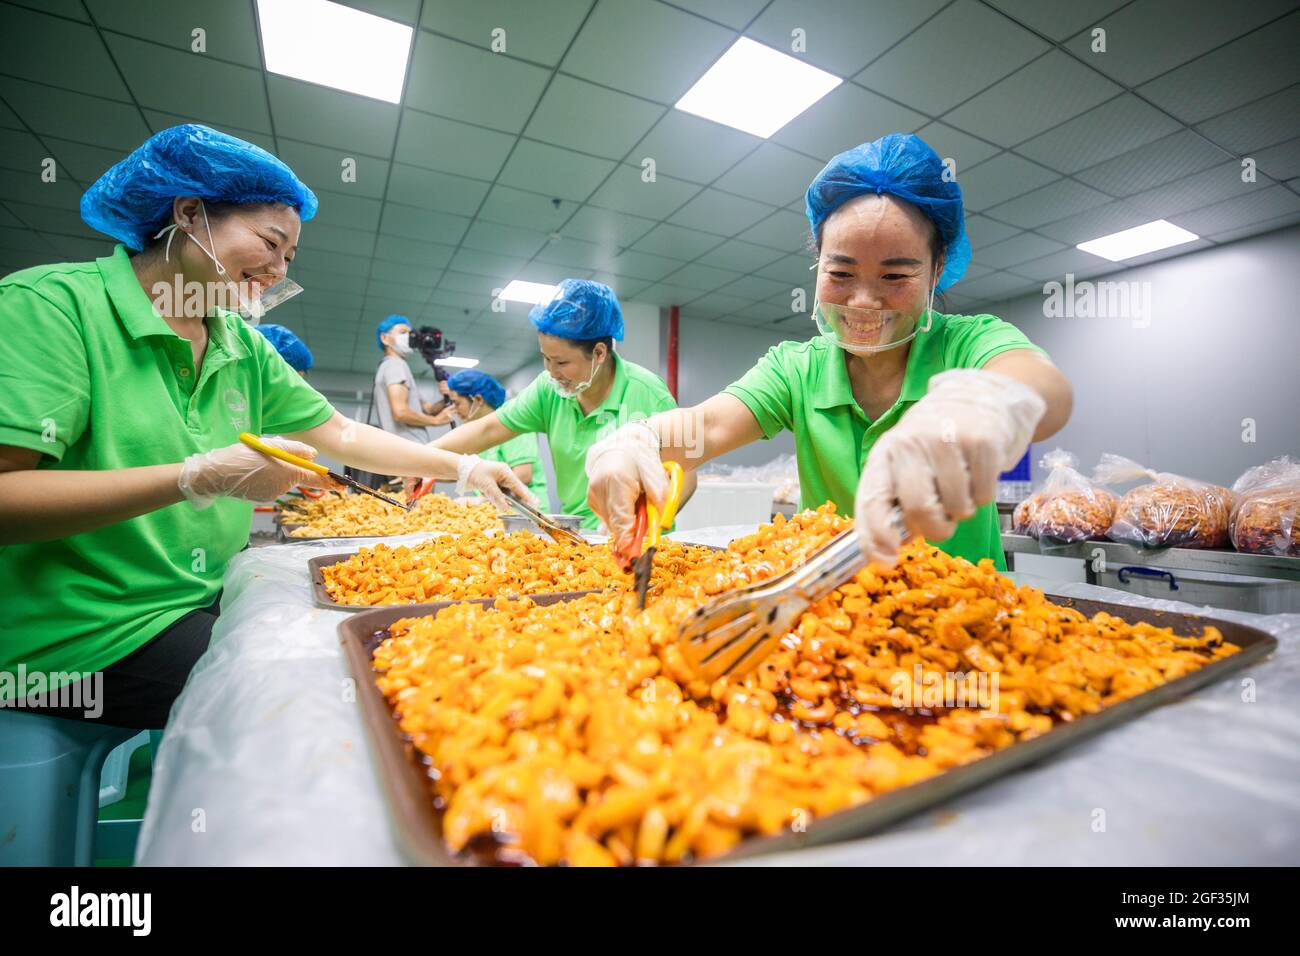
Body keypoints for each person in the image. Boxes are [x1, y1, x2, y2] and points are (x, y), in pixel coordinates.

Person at [0, 124, 534, 728]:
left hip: (200, 599)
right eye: (269, 242)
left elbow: (341, 435)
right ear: (190, 212)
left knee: (377, 654)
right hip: (81, 640)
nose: (278, 271)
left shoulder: (240, 345)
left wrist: (463, 465)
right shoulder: (52, 308)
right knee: (326, 702)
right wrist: (195, 477)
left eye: (289, 257)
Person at [586, 133, 1072, 570]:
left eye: (896, 276)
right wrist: (637, 442)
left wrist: (984, 403)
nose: (863, 302)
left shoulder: (966, 343)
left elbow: (1042, 385)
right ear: (817, 263)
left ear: (937, 267)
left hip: (965, 627)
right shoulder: (798, 370)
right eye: (840, 274)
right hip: (833, 623)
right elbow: (707, 427)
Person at [432, 279, 689, 529]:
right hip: (579, 533)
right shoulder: (548, 389)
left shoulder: (648, 393)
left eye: (562, 362)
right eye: (545, 359)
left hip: (642, 538)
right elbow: (488, 429)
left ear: (599, 353)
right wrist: (426, 458)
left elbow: (687, 475)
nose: (552, 371)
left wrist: (642, 524)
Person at [445, 369, 551, 511]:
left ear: (478, 400)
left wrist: (482, 500)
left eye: (457, 403)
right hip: (496, 513)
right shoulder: (478, 434)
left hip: (525, 514)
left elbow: (523, 475)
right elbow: (465, 469)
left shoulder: (513, 426)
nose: (453, 409)